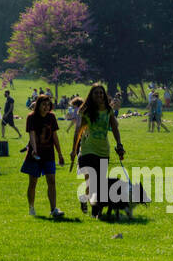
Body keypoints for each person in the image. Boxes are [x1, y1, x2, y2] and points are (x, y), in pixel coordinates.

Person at [70, 84, 125, 218]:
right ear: (91, 95)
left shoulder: (108, 110)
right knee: (91, 181)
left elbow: (115, 128)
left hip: (103, 151)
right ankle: (96, 211)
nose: (99, 95)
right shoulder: (85, 110)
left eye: (101, 93)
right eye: (96, 93)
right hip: (87, 150)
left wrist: (119, 144)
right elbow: (78, 131)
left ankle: (85, 199)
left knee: (99, 183)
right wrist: (73, 150)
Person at [22, 94, 64, 218]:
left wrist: (60, 153)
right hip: (35, 155)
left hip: (49, 154)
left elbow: (55, 136)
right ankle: (31, 207)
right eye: (43, 104)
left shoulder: (52, 117)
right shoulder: (31, 117)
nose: (46, 107)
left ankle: (53, 209)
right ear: (38, 105)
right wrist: (34, 150)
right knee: (33, 182)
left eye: (48, 105)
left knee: (51, 181)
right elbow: (32, 135)